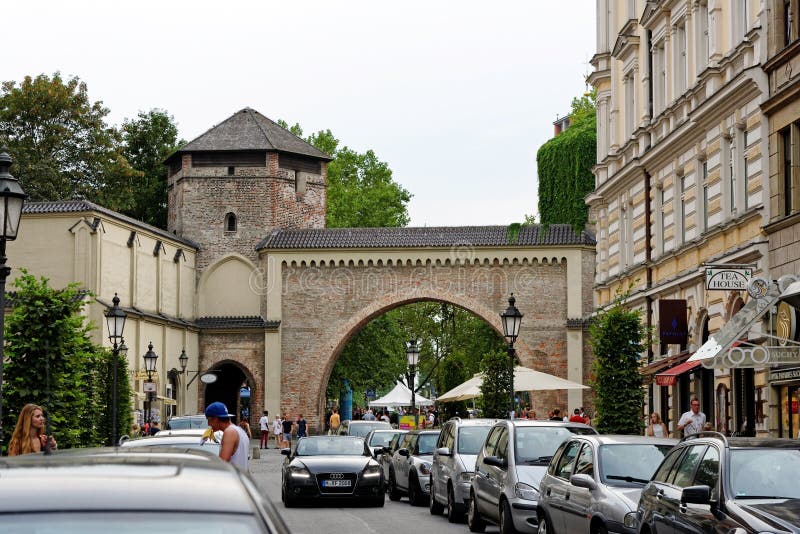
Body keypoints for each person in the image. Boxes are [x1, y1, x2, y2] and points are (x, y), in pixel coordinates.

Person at [205, 401, 249, 470]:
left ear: (215, 419)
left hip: (232, 479)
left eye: (208, 420)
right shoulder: (240, 431)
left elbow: (222, 464)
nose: (208, 424)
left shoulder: (229, 432)